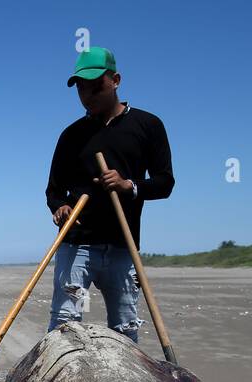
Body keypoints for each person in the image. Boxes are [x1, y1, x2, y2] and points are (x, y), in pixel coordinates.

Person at [46, 46, 174, 341]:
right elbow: (54, 191)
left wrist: (129, 185)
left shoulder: (148, 125)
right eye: (81, 89)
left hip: (122, 244)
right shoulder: (71, 135)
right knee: (65, 322)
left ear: (115, 80)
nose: (87, 96)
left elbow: (165, 183)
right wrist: (61, 208)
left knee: (126, 326)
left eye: (96, 88)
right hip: (76, 245)